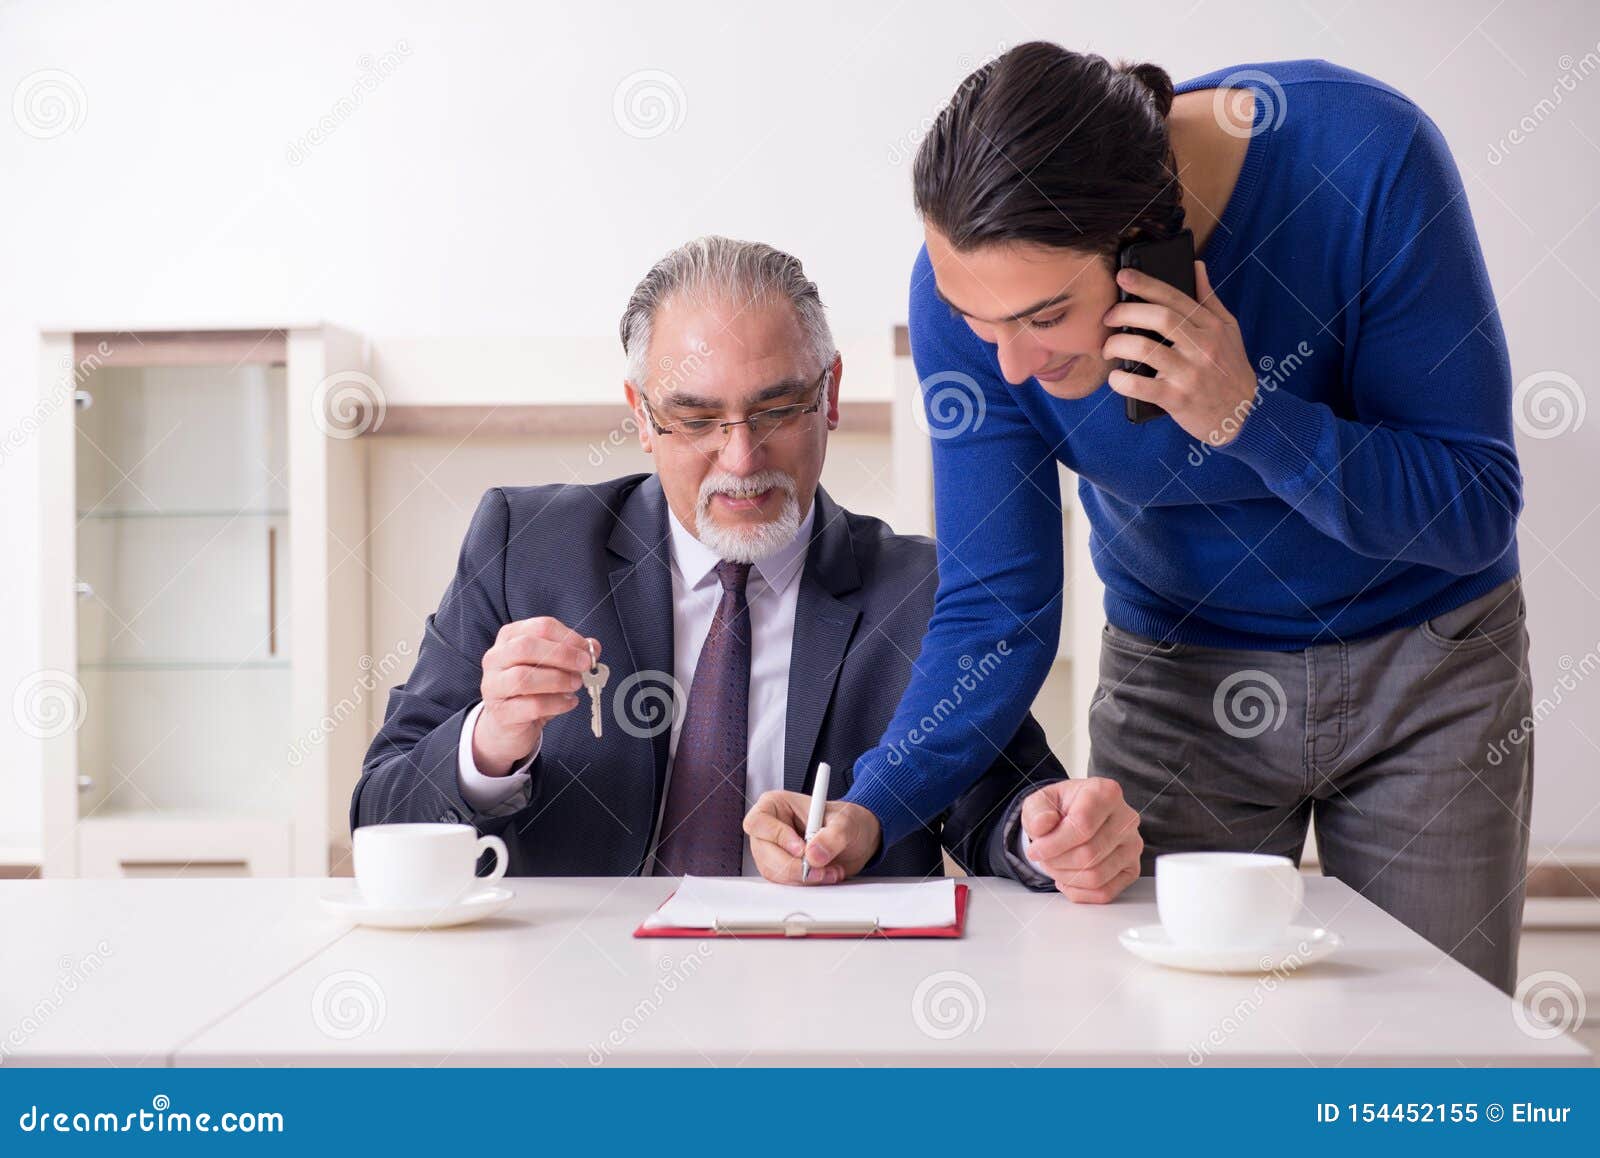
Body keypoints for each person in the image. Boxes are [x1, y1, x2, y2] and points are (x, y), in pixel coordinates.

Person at [829, 46, 1531, 993]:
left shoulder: (1366, 156)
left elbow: (1474, 508)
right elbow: (999, 609)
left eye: (1045, 317)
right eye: (976, 320)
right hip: (1178, 683)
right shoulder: (981, 297)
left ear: (1149, 248)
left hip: (1429, 672)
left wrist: (1249, 417)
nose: (1009, 366)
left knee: (1432, 1052)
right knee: (1167, 1040)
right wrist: (873, 808)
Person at [350, 235, 1144, 897]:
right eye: (695, 418)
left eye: (776, 411)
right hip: (577, 1006)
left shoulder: (923, 592)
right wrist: (491, 741)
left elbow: (1007, 804)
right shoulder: (527, 544)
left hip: (827, 1017)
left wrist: (1056, 836)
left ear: (830, 395)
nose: (741, 457)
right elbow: (379, 818)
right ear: (641, 417)